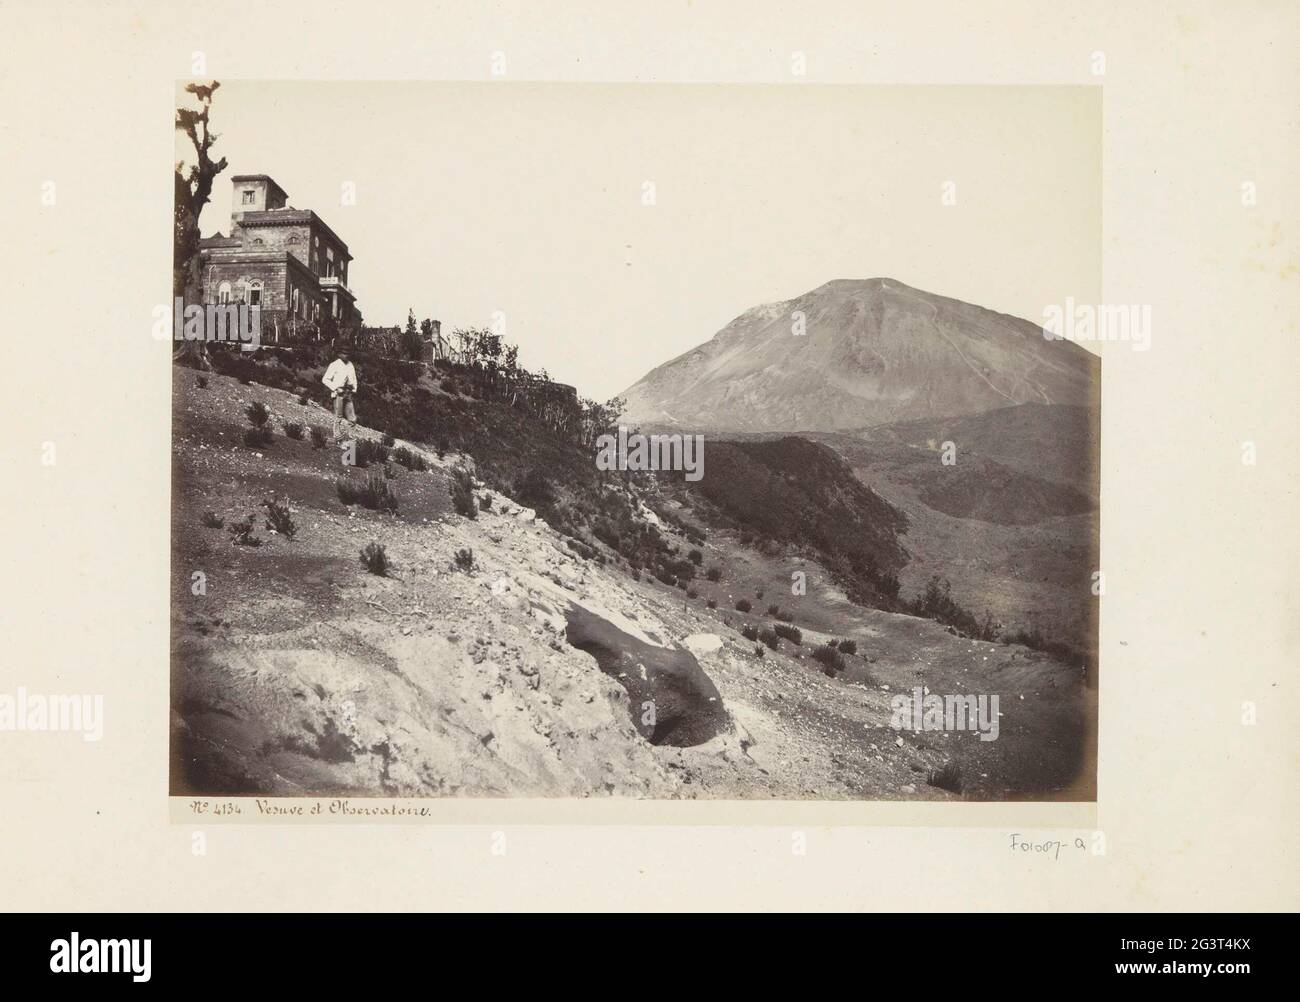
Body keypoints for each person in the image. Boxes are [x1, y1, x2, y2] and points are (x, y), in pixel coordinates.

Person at [322, 347, 358, 442]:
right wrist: (336, 388)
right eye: (344, 353)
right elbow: (325, 379)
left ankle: (352, 437)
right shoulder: (334, 365)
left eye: (348, 353)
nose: (346, 355)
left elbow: (354, 379)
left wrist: (353, 389)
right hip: (339, 393)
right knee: (338, 416)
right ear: (339, 354)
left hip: (348, 393)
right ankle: (337, 437)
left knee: (352, 417)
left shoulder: (350, 365)